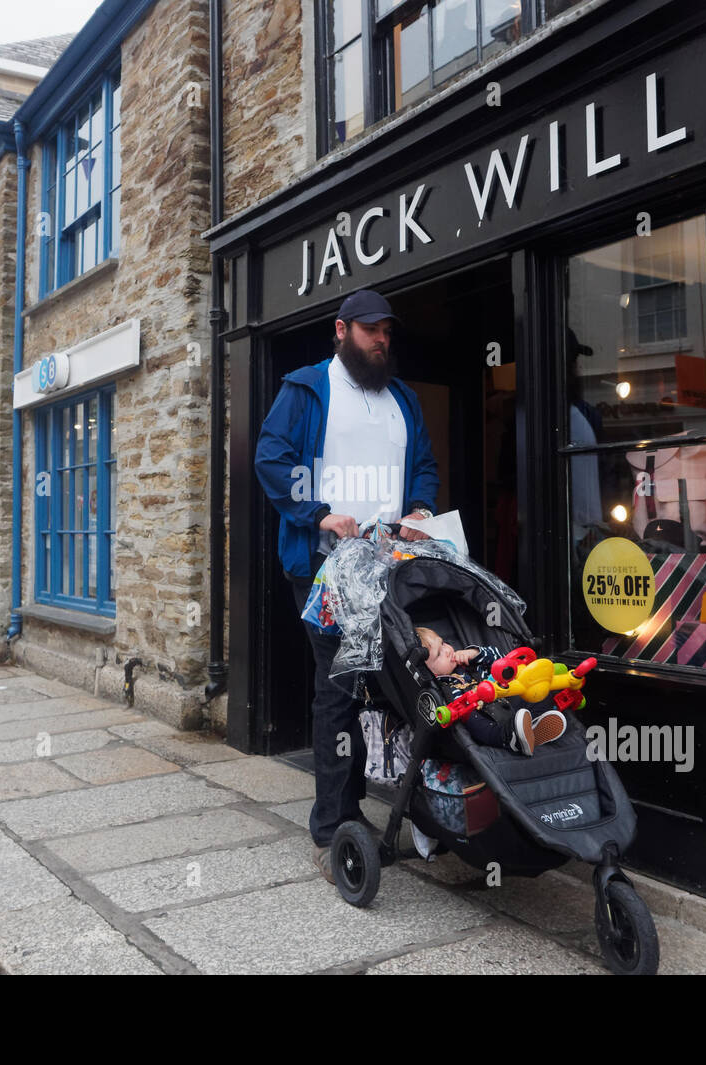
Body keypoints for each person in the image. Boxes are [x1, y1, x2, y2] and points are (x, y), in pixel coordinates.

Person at [255, 288, 439, 884]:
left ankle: (419, 806)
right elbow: (271, 458)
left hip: (392, 566)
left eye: (387, 330)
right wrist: (318, 510)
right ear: (341, 330)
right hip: (326, 570)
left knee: (401, 686)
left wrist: (419, 506)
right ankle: (334, 825)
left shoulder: (403, 399)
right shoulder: (307, 388)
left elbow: (426, 467)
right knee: (340, 690)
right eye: (369, 330)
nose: (381, 339)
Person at [414, 627, 567, 756]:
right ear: (431, 673)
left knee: (535, 692)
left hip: (505, 701)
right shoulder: (441, 686)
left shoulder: (471, 663)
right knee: (472, 720)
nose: (447, 650)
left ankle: (532, 728)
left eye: (443, 643)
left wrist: (475, 653)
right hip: (485, 718)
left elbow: (501, 660)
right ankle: (510, 738)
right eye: (439, 654)